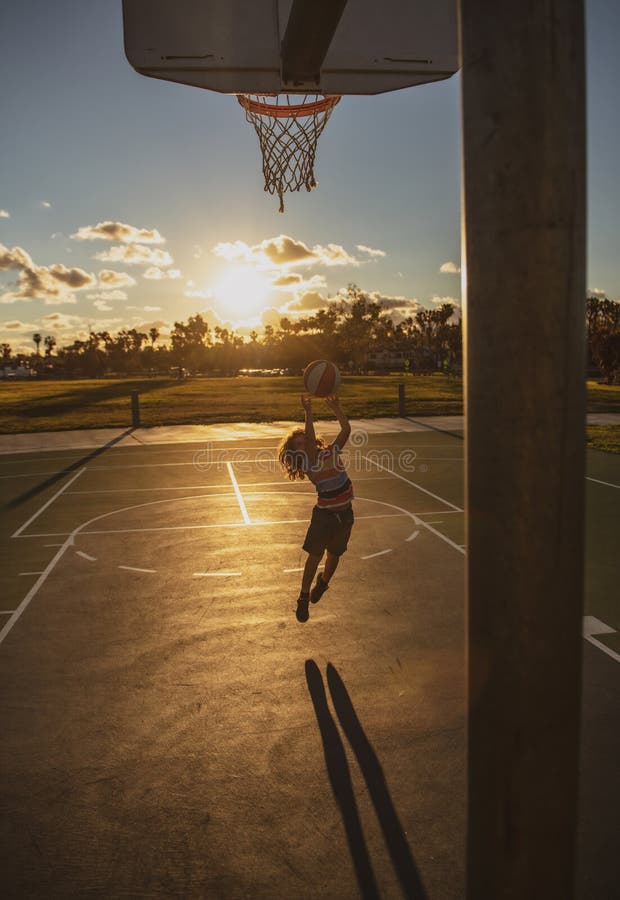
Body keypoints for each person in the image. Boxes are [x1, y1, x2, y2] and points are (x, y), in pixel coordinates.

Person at [278, 394, 354, 622]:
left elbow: (346, 430)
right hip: (324, 516)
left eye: (304, 441)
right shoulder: (308, 463)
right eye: (299, 445)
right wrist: (308, 412)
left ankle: (322, 584)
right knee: (314, 556)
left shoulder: (330, 451)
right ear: (296, 453)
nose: (304, 445)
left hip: (345, 514)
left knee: (335, 555)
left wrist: (337, 408)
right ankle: (303, 598)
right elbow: (311, 442)